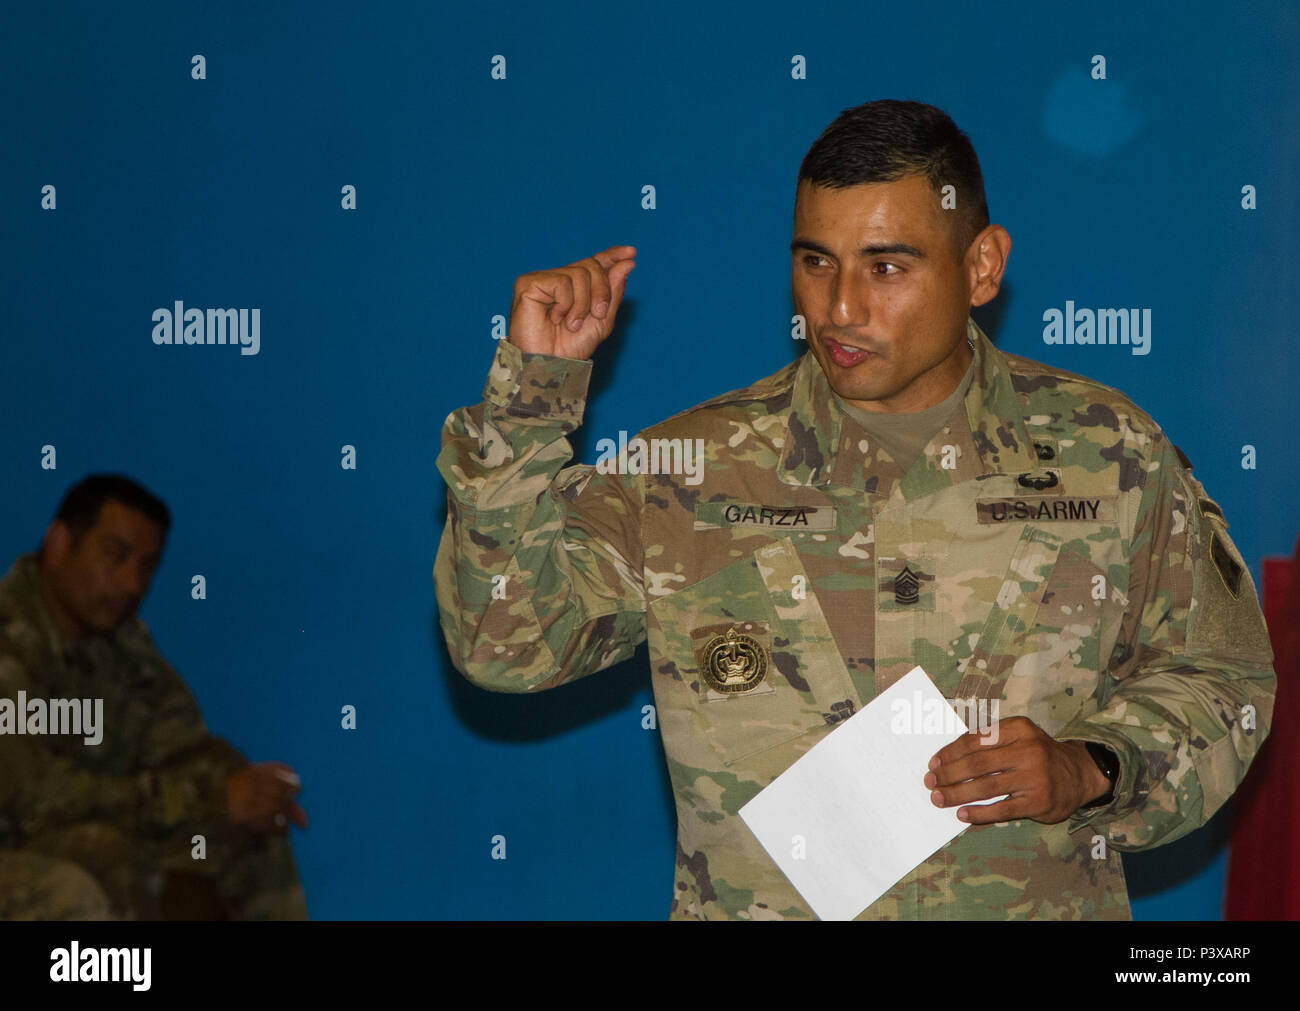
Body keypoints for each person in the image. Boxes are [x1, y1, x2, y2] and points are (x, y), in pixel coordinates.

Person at [433, 99, 1276, 919]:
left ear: (981, 266)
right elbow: (506, 643)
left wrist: (1092, 765)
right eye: (815, 261)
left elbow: (1226, 683)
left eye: (886, 266)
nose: (839, 307)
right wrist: (528, 407)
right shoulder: (686, 473)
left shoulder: (1111, 453)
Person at [0, 474, 308, 920]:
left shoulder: (121, 646)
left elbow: (184, 747)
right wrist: (209, 799)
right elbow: (37, 801)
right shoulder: (9, 646)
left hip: (75, 838)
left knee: (246, 835)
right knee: (84, 876)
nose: (132, 584)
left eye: (147, 566)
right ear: (59, 541)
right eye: (115, 555)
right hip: (22, 849)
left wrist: (244, 790)